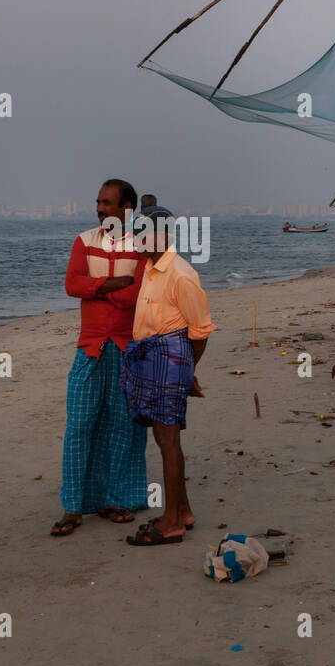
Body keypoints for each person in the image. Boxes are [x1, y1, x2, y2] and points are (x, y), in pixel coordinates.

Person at [51, 179, 148, 537]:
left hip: (127, 347)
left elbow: (139, 293)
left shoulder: (141, 244)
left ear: (128, 208)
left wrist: (100, 292)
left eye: (107, 203)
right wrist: (110, 286)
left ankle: (114, 499)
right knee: (78, 426)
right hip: (90, 345)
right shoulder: (84, 241)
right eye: (98, 202)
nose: (100, 208)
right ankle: (72, 506)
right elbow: (72, 285)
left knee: (122, 426)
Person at [119, 206, 216, 546]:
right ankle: (182, 510)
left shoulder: (180, 273)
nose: (137, 238)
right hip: (151, 357)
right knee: (165, 439)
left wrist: (186, 371)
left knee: (168, 441)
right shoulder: (149, 267)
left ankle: (172, 522)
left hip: (170, 358)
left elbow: (200, 331)